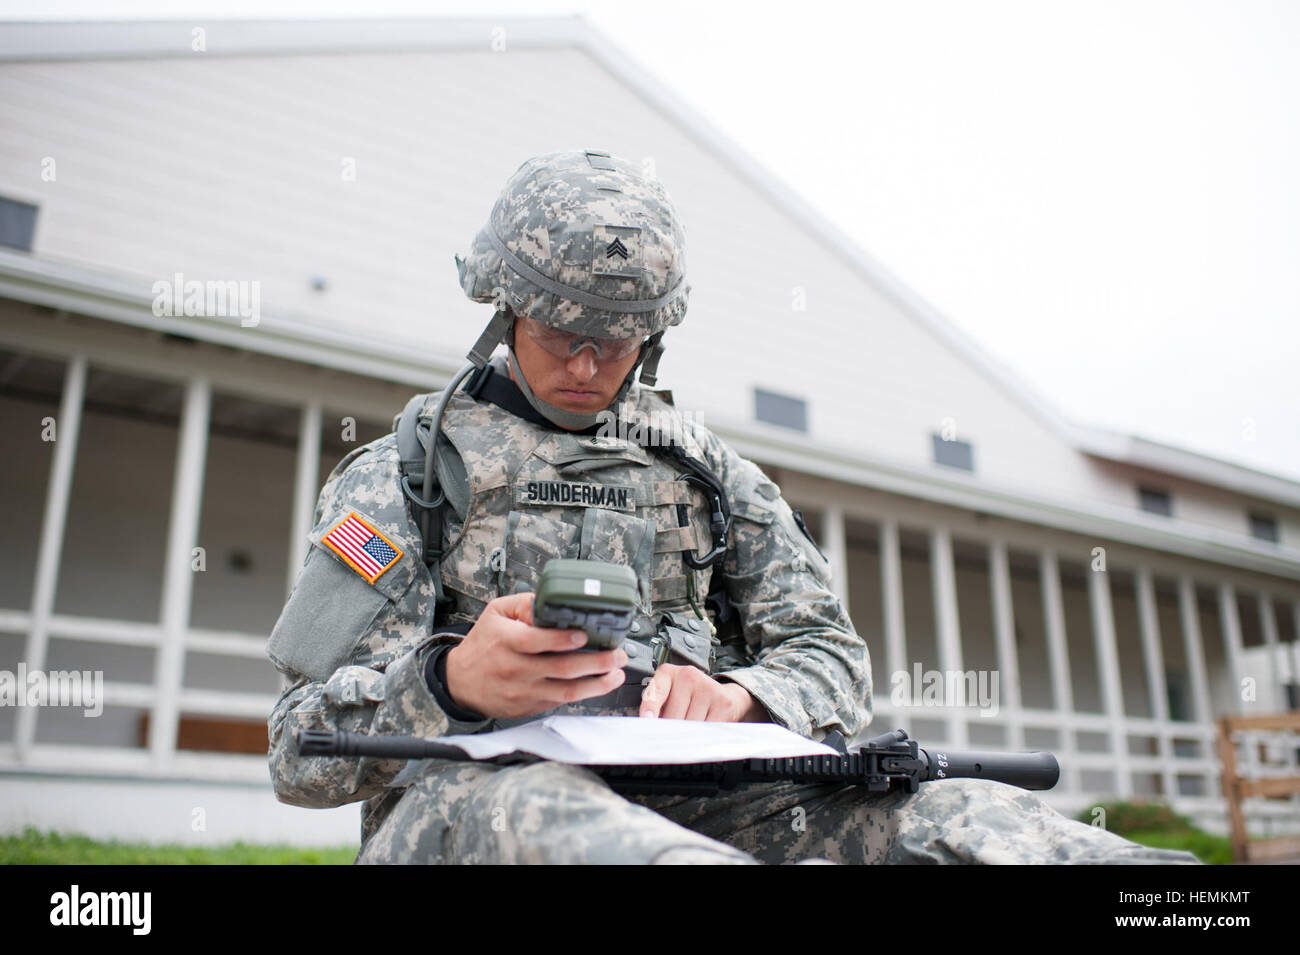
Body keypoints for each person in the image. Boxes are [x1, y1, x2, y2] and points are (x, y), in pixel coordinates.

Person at [266, 150, 1199, 864]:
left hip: (713, 801)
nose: (588, 364)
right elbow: (298, 749)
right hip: (481, 809)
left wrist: (744, 694)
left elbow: (832, 656)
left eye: (617, 341)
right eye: (561, 332)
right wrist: (450, 683)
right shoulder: (408, 470)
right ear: (504, 306)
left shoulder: (707, 473)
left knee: (980, 823)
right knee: (559, 819)